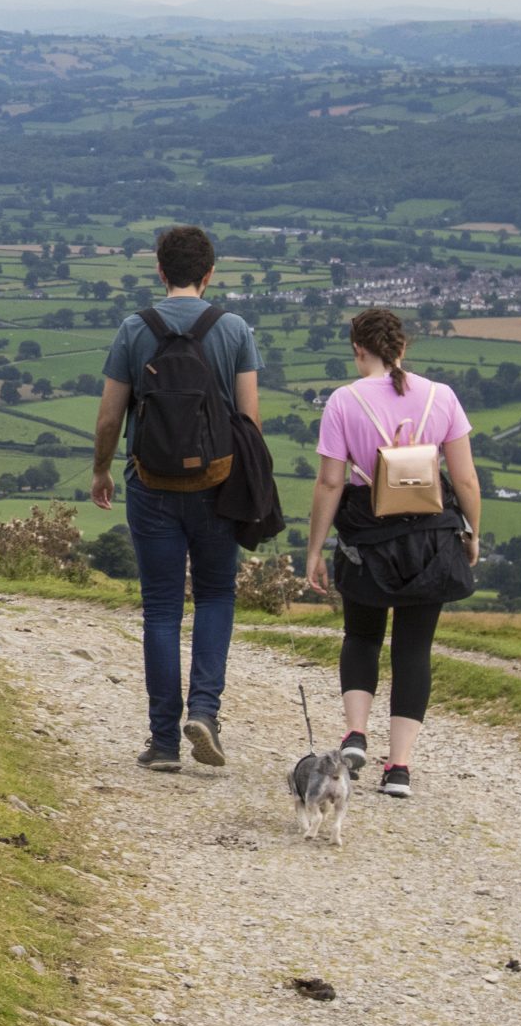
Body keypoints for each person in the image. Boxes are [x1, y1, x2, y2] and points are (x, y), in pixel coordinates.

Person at [90, 225, 262, 773]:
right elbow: (249, 420)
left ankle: (164, 740)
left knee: (162, 608)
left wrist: (101, 470)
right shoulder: (233, 329)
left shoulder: (134, 328)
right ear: (209, 274)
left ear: (160, 271)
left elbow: (110, 417)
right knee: (215, 596)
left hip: (152, 486)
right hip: (218, 486)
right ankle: (205, 711)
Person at [304, 308, 481, 798]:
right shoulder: (442, 397)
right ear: (403, 348)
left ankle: (356, 734)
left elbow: (330, 482)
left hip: (367, 536)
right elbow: (465, 478)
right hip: (430, 539)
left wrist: (315, 549)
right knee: (413, 649)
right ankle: (399, 768)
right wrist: (472, 532)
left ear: (358, 350)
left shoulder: (344, 401)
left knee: (361, 636)